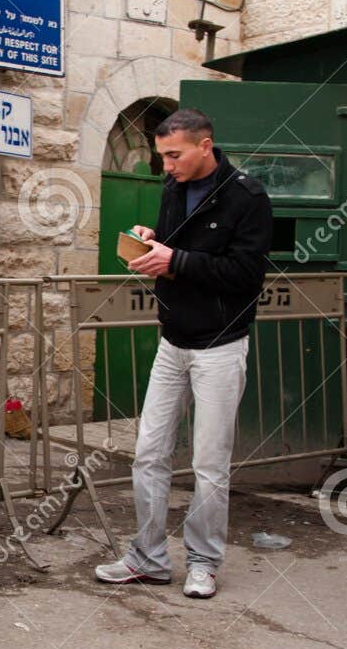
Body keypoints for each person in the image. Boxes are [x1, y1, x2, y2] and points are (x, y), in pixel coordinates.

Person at [94, 108, 272, 599]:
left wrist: (175, 260)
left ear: (205, 145)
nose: (167, 166)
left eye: (174, 155)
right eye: (163, 157)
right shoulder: (173, 187)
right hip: (172, 342)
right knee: (148, 454)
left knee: (209, 464)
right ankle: (147, 559)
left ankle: (203, 562)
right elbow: (176, 249)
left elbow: (246, 275)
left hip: (221, 346)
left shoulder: (248, 197)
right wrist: (152, 242)